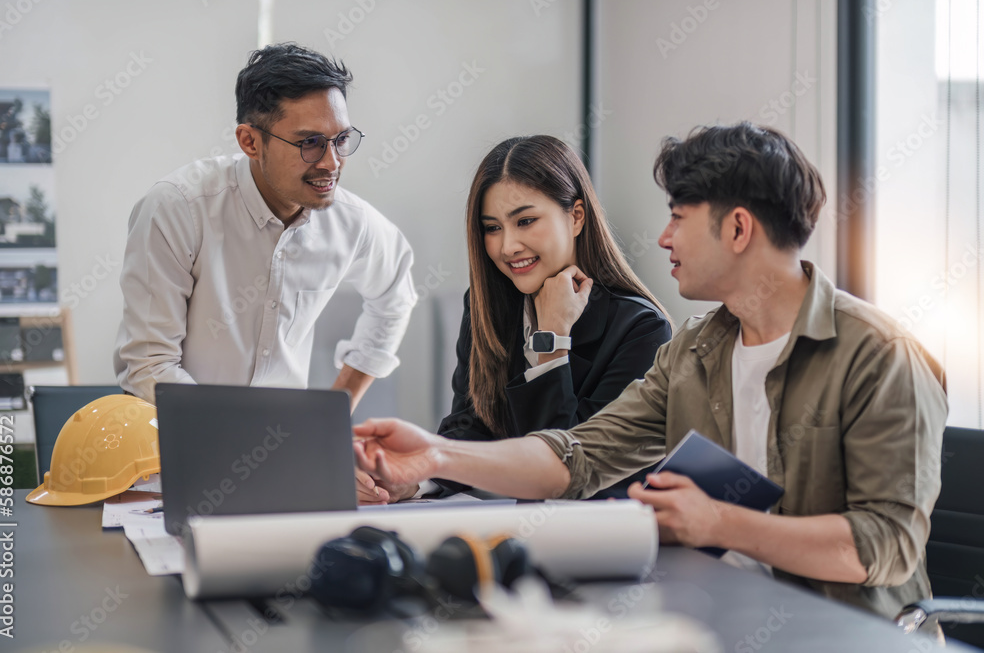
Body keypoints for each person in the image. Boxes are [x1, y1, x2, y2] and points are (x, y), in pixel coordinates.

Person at [353, 122, 948, 626]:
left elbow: (883, 547)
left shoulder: (880, 355)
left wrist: (719, 522)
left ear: (738, 229)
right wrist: (435, 457)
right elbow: (576, 457)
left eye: (679, 217)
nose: (663, 238)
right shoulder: (694, 350)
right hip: (712, 611)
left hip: (837, 626)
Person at [112, 44, 417, 500]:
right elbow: (150, 365)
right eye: (310, 142)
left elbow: (396, 293)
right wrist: (275, 454)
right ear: (250, 142)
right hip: (177, 464)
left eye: (341, 139)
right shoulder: (178, 209)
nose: (331, 162)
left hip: (288, 460)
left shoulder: (351, 221)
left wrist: (332, 415)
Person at [363, 135, 672, 504]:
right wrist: (415, 480)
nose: (507, 246)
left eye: (525, 221)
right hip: (511, 527)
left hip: (592, 539)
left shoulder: (641, 328)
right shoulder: (486, 305)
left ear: (576, 217)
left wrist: (551, 339)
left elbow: (570, 470)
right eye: (492, 228)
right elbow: (472, 426)